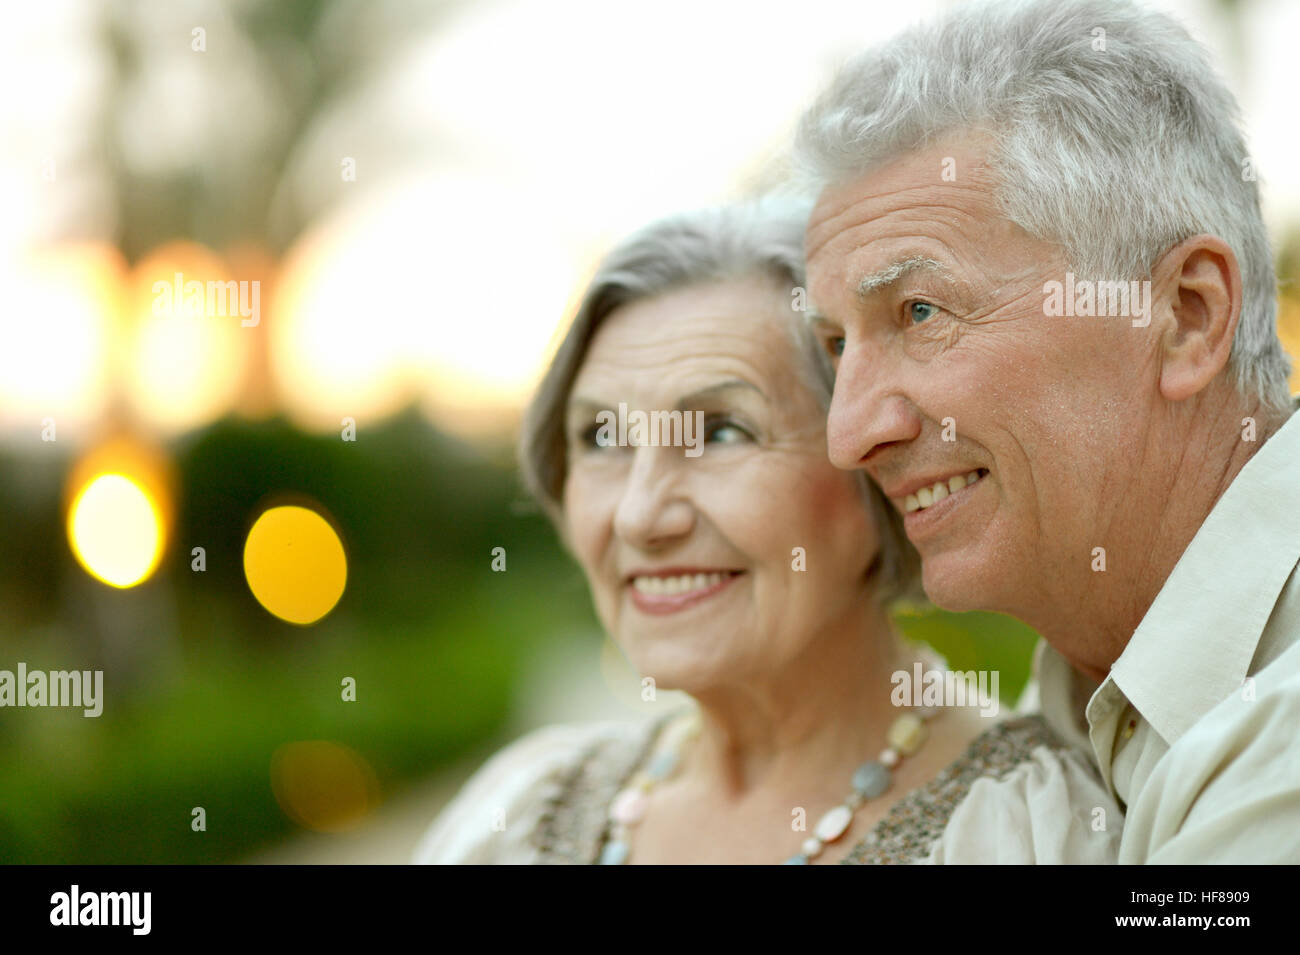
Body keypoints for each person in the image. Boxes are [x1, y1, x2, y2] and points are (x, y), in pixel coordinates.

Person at [414, 198, 1120, 864]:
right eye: (602, 436)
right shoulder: (519, 811)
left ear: (878, 464)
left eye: (722, 430)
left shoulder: (1034, 831)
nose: (639, 514)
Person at [798, 0, 1300, 863]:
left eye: (921, 310)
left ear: (1185, 315)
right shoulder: (1079, 711)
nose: (848, 435)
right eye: (838, 345)